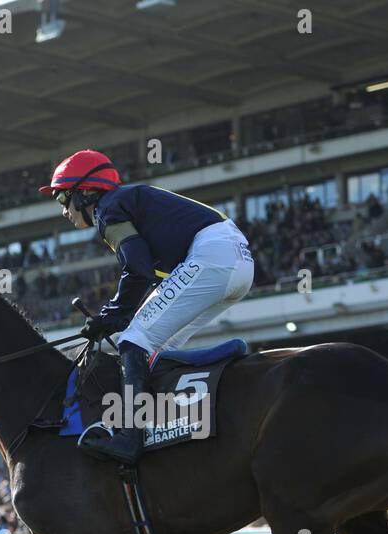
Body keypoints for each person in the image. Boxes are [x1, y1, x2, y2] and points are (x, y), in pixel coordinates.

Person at [38, 149, 255, 465]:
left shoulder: (108, 210)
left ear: (85, 192)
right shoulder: (124, 203)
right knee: (153, 346)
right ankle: (168, 423)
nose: (64, 211)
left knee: (134, 341)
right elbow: (145, 276)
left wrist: (110, 315)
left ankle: (130, 437)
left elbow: (137, 268)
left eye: (62, 199)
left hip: (214, 258)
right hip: (237, 264)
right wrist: (117, 315)